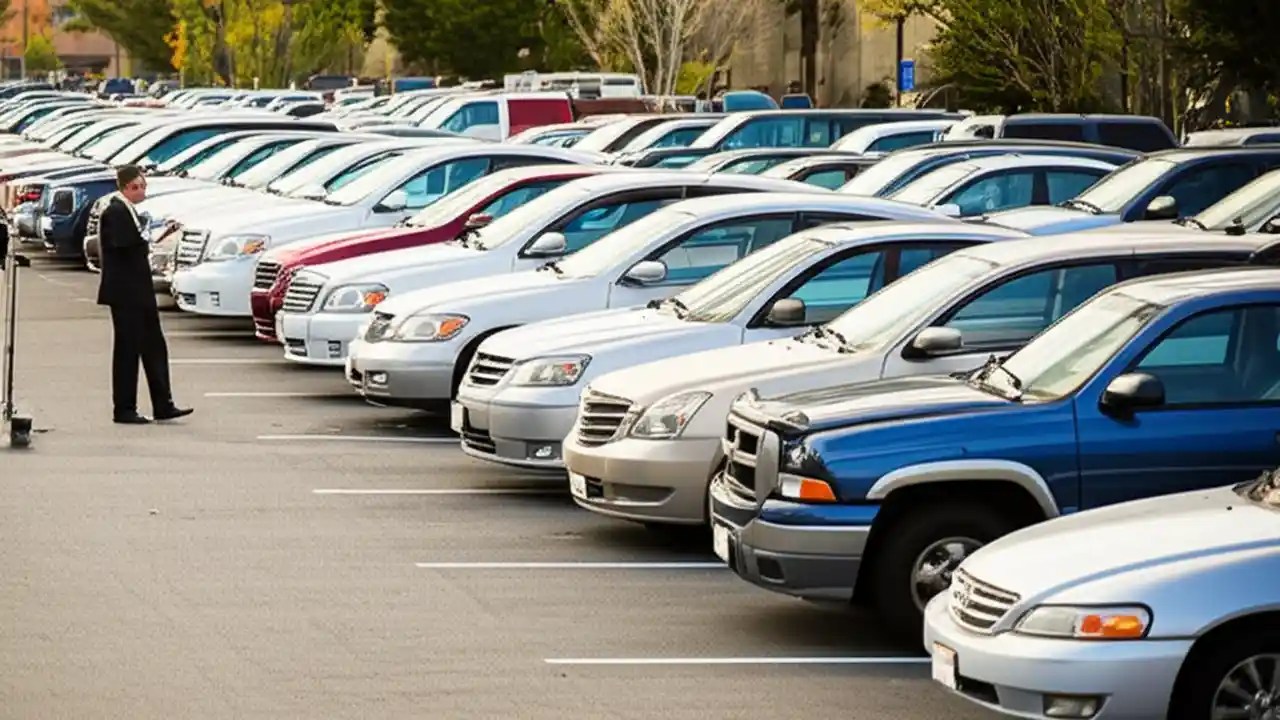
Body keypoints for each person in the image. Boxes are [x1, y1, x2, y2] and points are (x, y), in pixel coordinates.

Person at [96, 166, 192, 425]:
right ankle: (124, 408)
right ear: (124, 187)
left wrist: (158, 233)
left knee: (154, 346)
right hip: (126, 293)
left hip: (140, 291)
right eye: (136, 187)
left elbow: (137, 241)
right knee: (128, 350)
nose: (141, 192)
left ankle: (163, 403)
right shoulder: (115, 211)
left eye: (143, 186)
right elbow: (127, 244)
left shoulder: (129, 211)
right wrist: (149, 233)